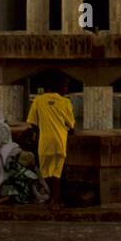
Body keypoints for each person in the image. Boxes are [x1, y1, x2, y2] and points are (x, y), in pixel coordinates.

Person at [27, 72, 75, 207]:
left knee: (46, 172)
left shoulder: (38, 100)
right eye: (65, 86)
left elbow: (32, 123)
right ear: (59, 86)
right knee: (57, 172)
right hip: (59, 141)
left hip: (44, 143)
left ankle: (50, 198)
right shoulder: (65, 102)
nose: (66, 89)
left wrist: (39, 132)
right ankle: (55, 199)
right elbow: (71, 125)